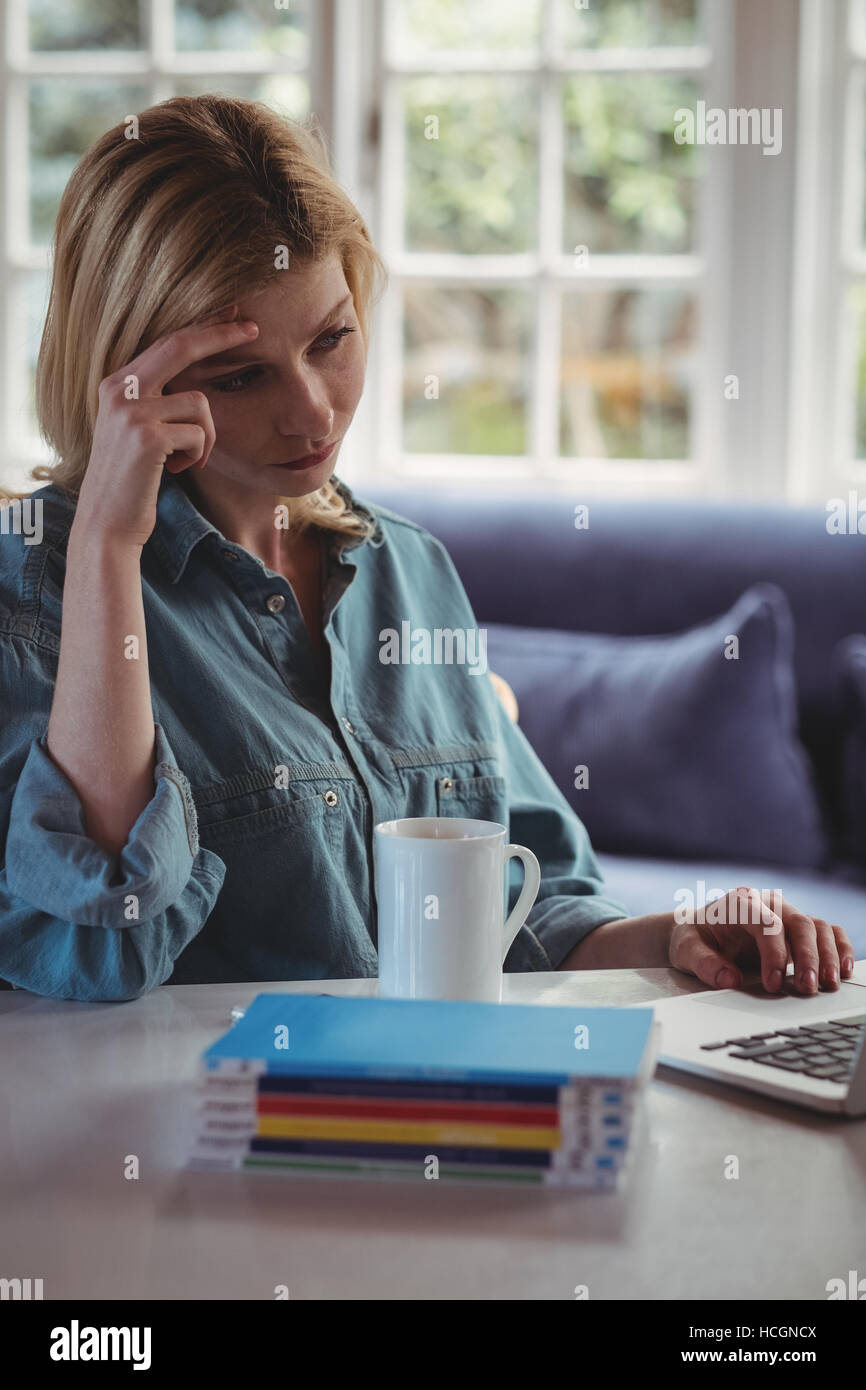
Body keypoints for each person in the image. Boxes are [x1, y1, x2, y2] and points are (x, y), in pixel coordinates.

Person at [0, 96, 854, 1002]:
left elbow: (539, 917)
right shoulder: (40, 586)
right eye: (242, 374)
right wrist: (106, 544)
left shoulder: (410, 571)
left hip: (421, 1113)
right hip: (188, 1129)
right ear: (131, 379)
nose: (314, 411)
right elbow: (99, 938)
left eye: (332, 339)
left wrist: (682, 936)